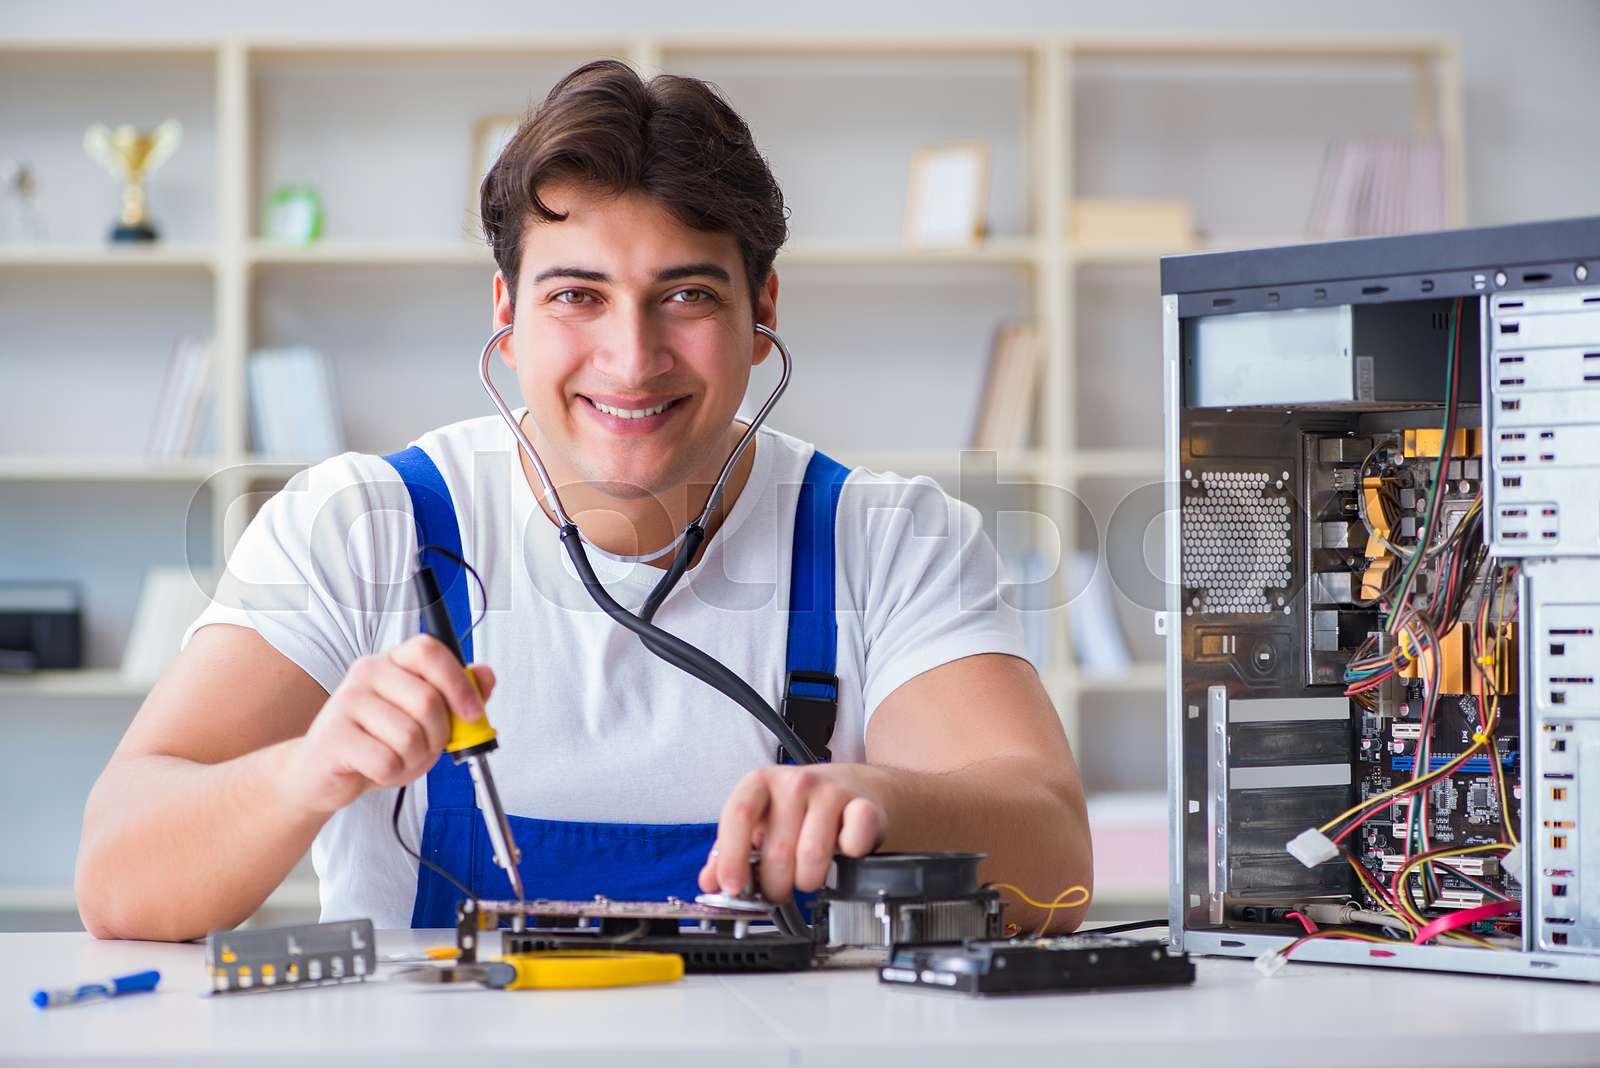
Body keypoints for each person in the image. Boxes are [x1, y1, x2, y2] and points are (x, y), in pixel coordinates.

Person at [76, 59, 1092, 941]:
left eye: (687, 294)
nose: (632, 356)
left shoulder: (885, 535)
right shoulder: (356, 525)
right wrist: (304, 773)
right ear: (507, 315)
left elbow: (1058, 870)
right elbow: (118, 874)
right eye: (577, 296)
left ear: (761, 311)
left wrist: (885, 797)